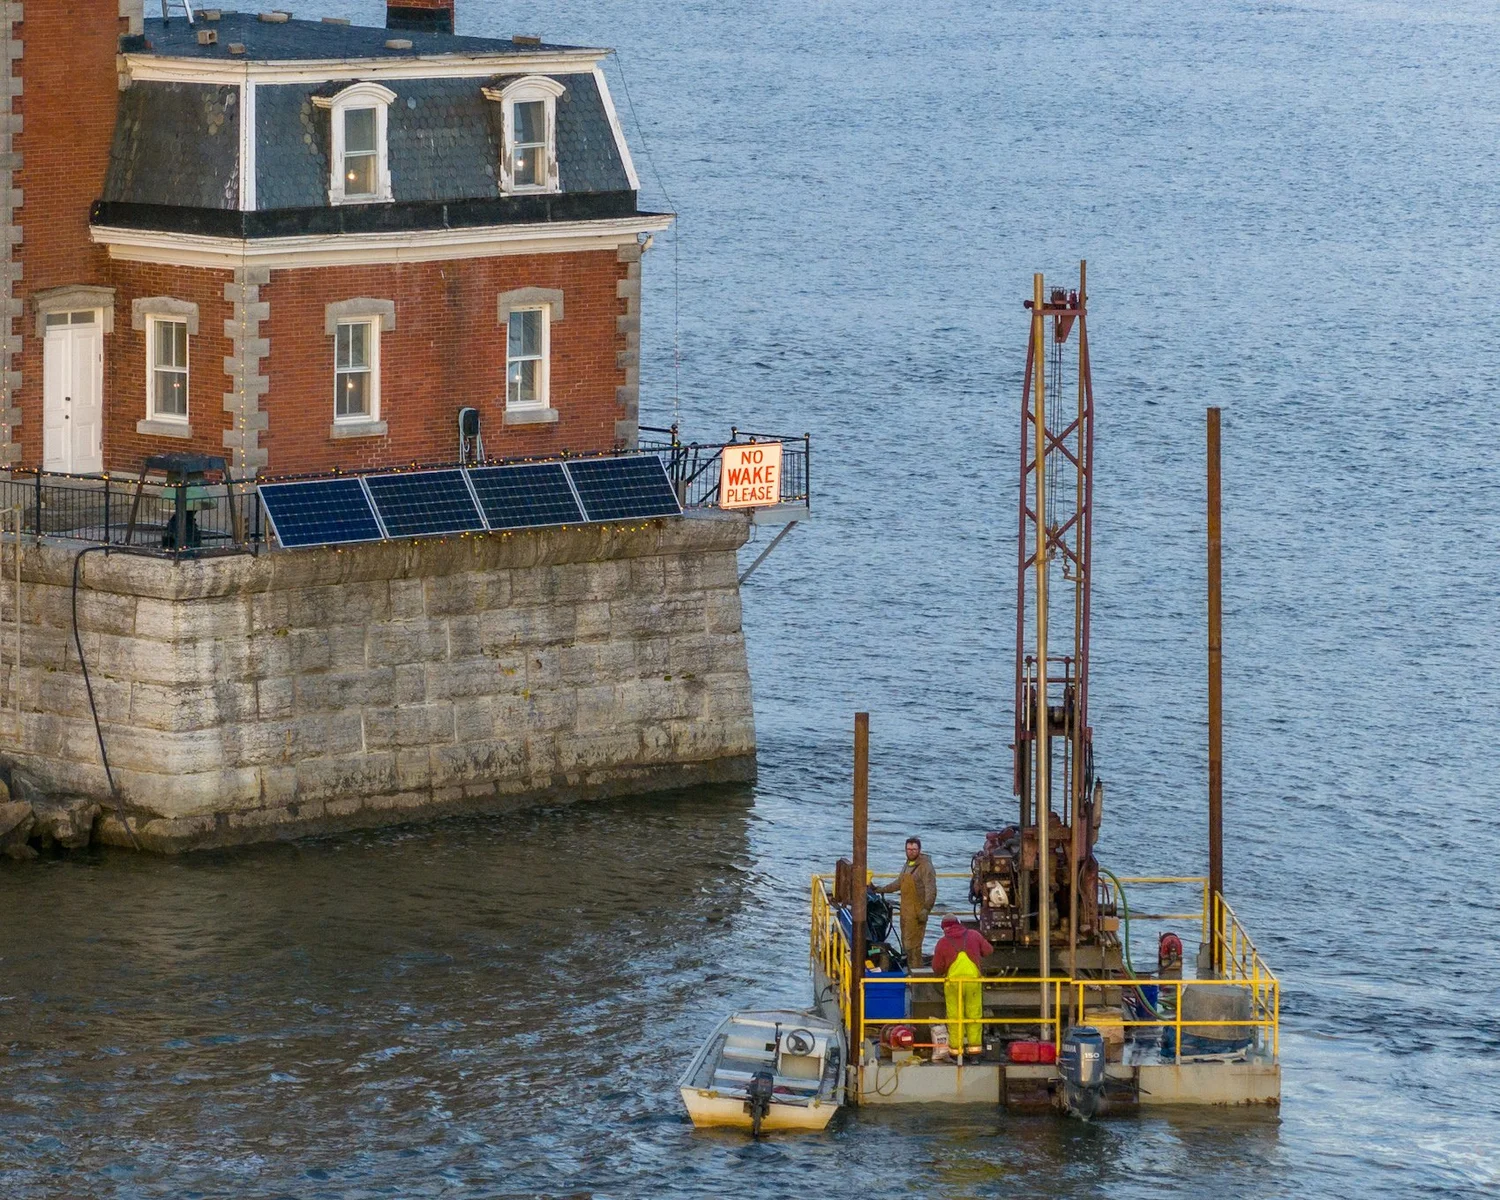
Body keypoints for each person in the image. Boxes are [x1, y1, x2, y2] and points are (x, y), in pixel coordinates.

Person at [930, 914, 993, 1064]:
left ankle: (956, 1052)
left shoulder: (942, 942)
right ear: (959, 923)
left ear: (944, 928)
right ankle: (975, 1054)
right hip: (972, 982)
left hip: (953, 984)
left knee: (955, 1017)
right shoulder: (974, 934)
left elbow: (937, 968)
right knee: (974, 1016)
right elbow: (989, 950)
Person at [875, 836, 937, 967]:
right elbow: (899, 883)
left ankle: (916, 975)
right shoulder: (907, 864)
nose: (911, 852)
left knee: (913, 946)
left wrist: (926, 909)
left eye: (914, 849)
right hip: (905, 912)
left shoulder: (925, 867)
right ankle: (911, 971)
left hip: (917, 912)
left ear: (919, 850)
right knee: (906, 944)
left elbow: (931, 889)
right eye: (909, 849)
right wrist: (881, 889)